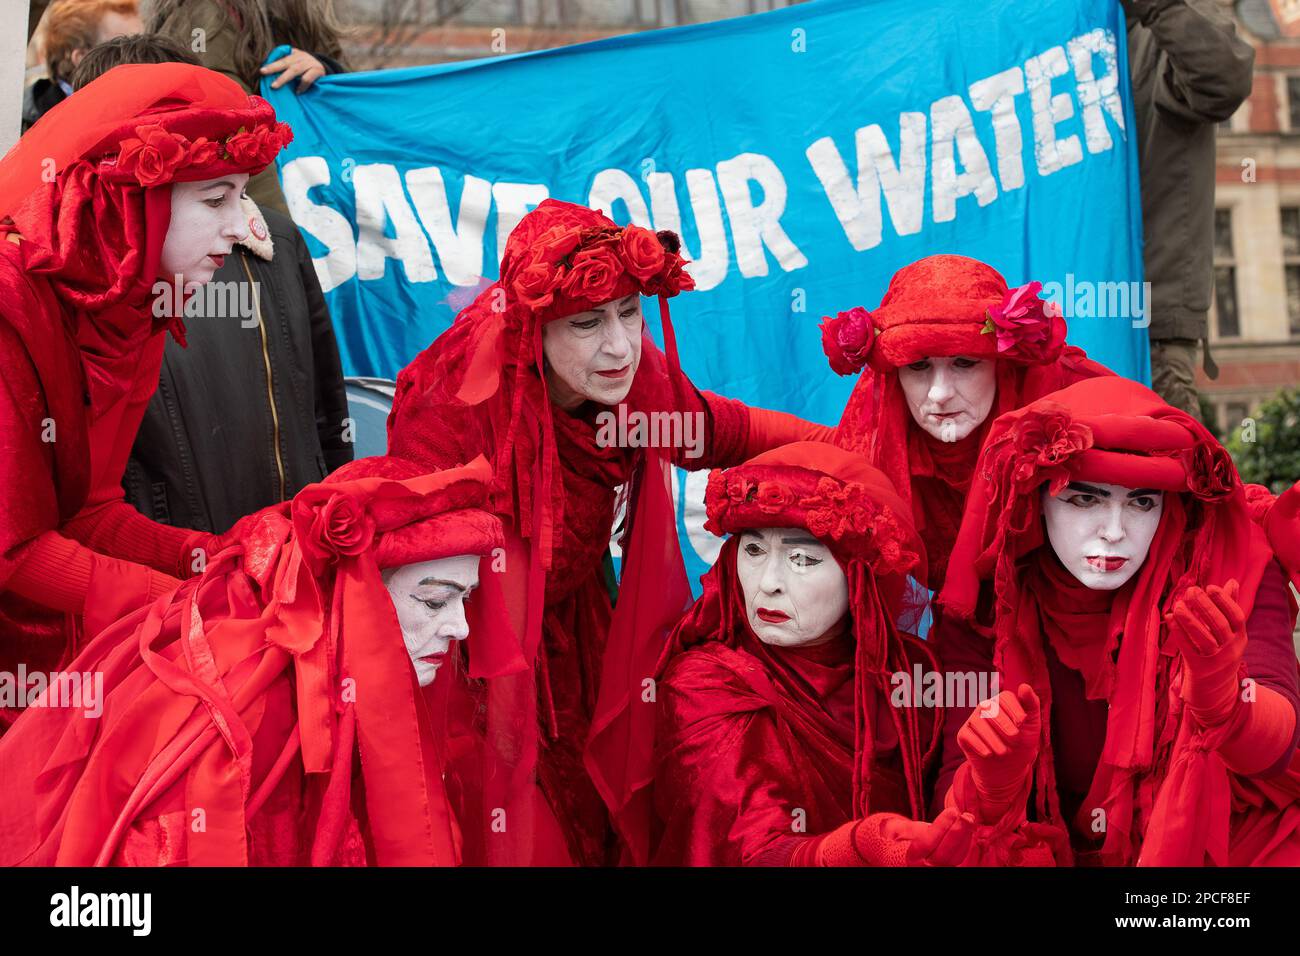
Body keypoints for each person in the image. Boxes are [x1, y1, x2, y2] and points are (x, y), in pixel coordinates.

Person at [387, 199, 833, 865]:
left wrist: (851, 451)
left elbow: (720, 429)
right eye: (588, 322)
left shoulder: (631, 379)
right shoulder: (455, 409)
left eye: (631, 312)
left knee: (610, 817)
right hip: (472, 655)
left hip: (583, 632)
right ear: (533, 329)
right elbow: (410, 574)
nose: (620, 344)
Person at [0, 456, 509, 866]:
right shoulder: (242, 720)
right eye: (436, 601)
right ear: (348, 593)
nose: (460, 629)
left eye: (466, 600)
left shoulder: (384, 694)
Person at [0, 62, 292, 730]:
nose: (243, 226)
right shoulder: (10, 301)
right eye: (216, 199)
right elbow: (12, 549)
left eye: (244, 196)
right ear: (135, 199)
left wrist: (215, 559)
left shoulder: (137, 304)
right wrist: (184, 601)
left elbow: (91, 512)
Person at [935, 376, 1300, 865]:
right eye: (1084, 499)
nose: (1113, 532)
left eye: (1142, 501)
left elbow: (1285, 756)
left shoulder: (1234, 569)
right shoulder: (991, 600)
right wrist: (990, 786)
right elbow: (952, 811)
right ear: (1035, 498)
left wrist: (1229, 710)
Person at [70, 34, 354, 535]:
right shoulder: (76, 278)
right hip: (162, 571)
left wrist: (328, 522)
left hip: (286, 561)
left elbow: (326, 410)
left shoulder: (278, 241)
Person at [649, 442, 979, 866]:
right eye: (752, 550)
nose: (768, 582)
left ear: (860, 576)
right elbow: (747, 846)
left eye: (802, 558)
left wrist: (988, 790)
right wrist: (843, 851)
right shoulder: (704, 685)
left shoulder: (909, 676)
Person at [824, 254, 1112, 590]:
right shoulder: (874, 441)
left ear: (1002, 365)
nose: (939, 393)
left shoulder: (1074, 400)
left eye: (964, 362)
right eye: (918, 366)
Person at [1123, 0, 1255, 420]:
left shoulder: (1161, 34)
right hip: (1047, 328)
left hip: (1151, 331)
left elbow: (1223, 78)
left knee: (1163, 477)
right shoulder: (1033, 36)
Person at [145, 0, 349, 216]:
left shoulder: (297, 12)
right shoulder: (205, 13)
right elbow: (234, 134)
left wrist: (324, 71)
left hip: (316, 191)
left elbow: (361, 110)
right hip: (251, 212)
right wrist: (290, 238)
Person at [23, 0, 143, 131]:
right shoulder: (26, 126)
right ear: (82, 58)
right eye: (122, 47)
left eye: (142, 43)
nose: (142, 57)